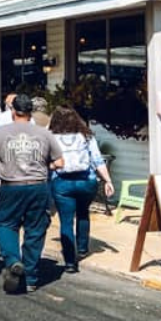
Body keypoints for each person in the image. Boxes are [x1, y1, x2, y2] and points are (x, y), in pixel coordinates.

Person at [0, 94, 63, 294]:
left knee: (3, 223)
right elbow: (60, 162)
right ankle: (30, 277)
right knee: (35, 229)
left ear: (13, 111)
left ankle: (13, 260)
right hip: (38, 186)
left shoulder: (0, 133)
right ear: (31, 112)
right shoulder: (44, 134)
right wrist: (45, 164)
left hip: (11, 185)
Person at [48, 106, 115, 272]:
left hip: (62, 182)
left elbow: (46, 161)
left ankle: (70, 262)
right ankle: (83, 247)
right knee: (83, 212)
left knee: (66, 221)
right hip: (87, 181)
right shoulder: (86, 136)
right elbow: (98, 160)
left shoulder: (50, 137)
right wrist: (108, 180)